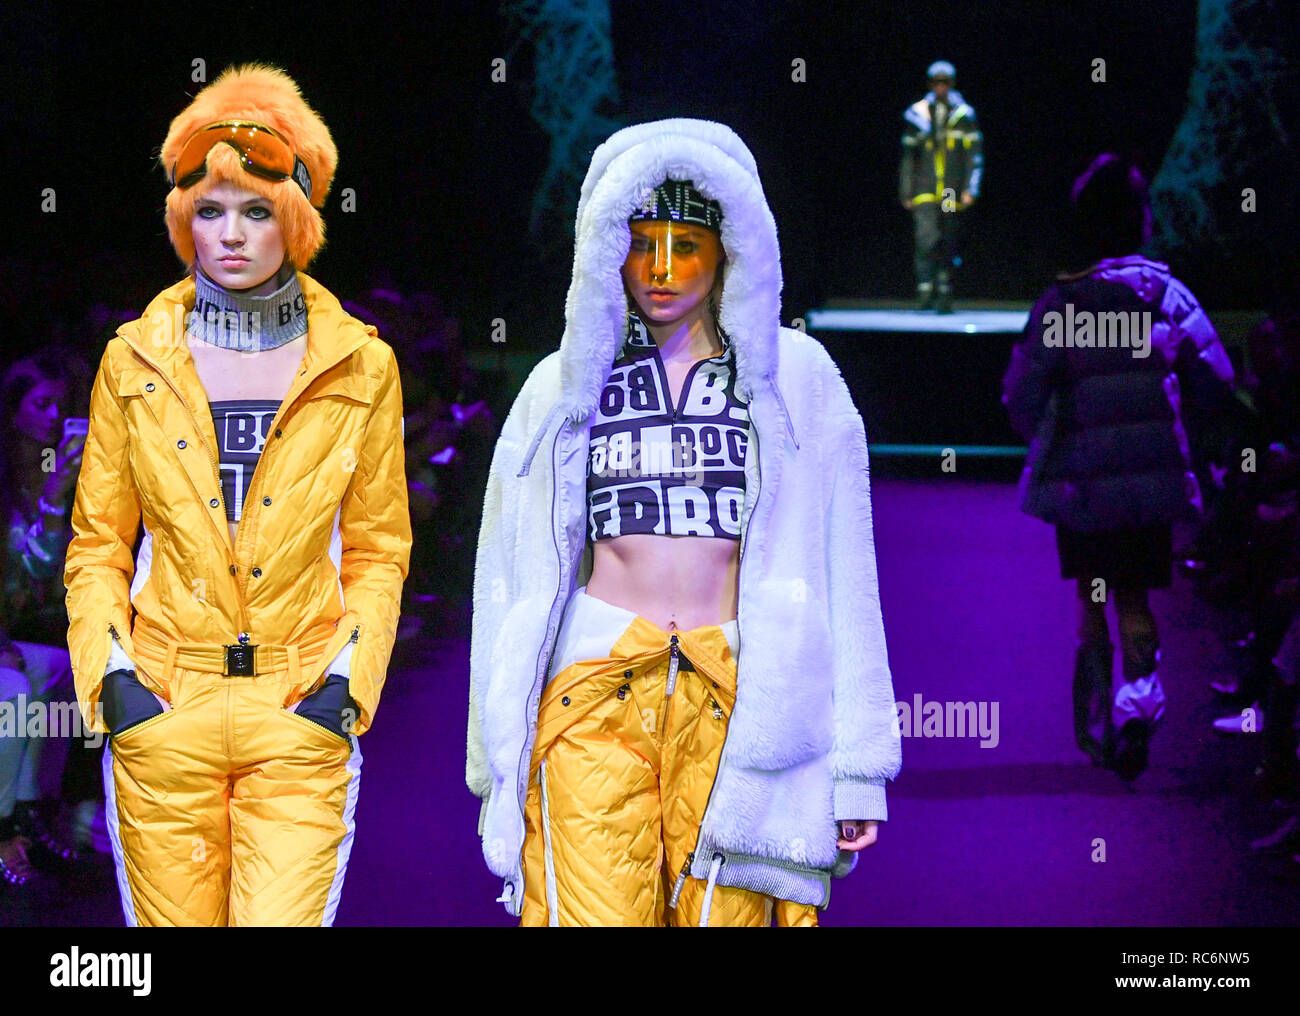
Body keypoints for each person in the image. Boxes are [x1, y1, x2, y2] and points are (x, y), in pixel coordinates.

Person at [469, 118, 901, 926]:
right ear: (607, 250)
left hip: (743, 702)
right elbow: (507, 575)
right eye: (640, 242)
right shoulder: (560, 387)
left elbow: (848, 571)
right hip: (589, 691)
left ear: (731, 247)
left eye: (686, 243)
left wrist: (855, 770)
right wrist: (493, 764)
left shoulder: (798, 382)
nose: (661, 268)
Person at [64, 64, 412, 926]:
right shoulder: (133, 358)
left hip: (298, 709)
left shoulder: (362, 365)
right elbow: (98, 544)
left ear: (294, 219)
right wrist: (113, 682)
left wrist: (342, 688)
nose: (231, 234)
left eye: (256, 210)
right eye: (209, 211)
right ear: (183, 221)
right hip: (164, 704)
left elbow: (379, 549)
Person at [1002, 153, 1233, 780]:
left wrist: (1048, 434)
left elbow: (1019, 395)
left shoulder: (1062, 302)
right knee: (1134, 595)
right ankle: (1138, 705)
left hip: (1082, 484)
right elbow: (1218, 376)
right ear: (1142, 221)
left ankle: (1099, 718)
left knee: (1092, 593)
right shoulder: (1167, 295)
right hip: (1150, 484)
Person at [0, 352, 94, 886]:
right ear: (14, 411)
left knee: (70, 669)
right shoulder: (14, 472)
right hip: (28, 617)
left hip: (42, 611)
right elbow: (29, 569)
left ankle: (38, 811)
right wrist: (56, 493)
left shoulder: (47, 461)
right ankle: (11, 821)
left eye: (60, 403)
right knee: (25, 684)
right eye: (41, 404)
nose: (55, 414)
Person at [899, 60, 983, 313]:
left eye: (945, 82)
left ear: (952, 84)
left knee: (947, 238)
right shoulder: (918, 114)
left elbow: (974, 157)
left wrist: (971, 188)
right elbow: (907, 159)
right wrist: (906, 191)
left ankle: (945, 289)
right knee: (926, 239)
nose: (941, 87)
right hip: (924, 188)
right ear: (930, 84)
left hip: (949, 190)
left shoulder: (963, 115)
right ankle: (925, 289)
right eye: (936, 82)